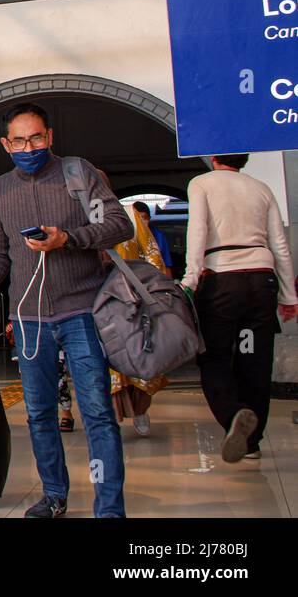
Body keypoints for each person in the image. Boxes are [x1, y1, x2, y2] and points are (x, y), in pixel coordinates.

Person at [0, 103, 132, 518]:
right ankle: (54, 496)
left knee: (98, 413)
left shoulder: (77, 173)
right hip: (29, 318)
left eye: (36, 138)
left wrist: (69, 238)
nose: (29, 148)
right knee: (39, 413)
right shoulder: (0, 189)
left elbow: (120, 225)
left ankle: (109, 508)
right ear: (6, 145)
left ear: (49, 137)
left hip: (82, 311)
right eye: (20, 141)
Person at [182, 153, 298, 462]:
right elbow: (280, 245)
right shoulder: (261, 188)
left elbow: (197, 231)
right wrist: (289, 297)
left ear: (213, 157)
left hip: (221, 280)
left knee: (214, 357)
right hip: (261, 280)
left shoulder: (201, 183)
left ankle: (233, 414)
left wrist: (189, 281)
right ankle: (252, 443)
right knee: (255, 360)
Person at [109, 201, 170, 437]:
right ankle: (109, 420)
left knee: (140, 355)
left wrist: (156, 294)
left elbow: (153, 257)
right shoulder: (78, 215)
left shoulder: (130, 215)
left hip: (134, 302)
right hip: (98, 304)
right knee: (105, 364)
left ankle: (141, 409)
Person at [132, 200, 172, 273]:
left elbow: (166, 265)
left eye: (144, 218)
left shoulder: (159, 237)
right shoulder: (126, 238)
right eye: (138, 219)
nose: (141, 222)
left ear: (149, 218)